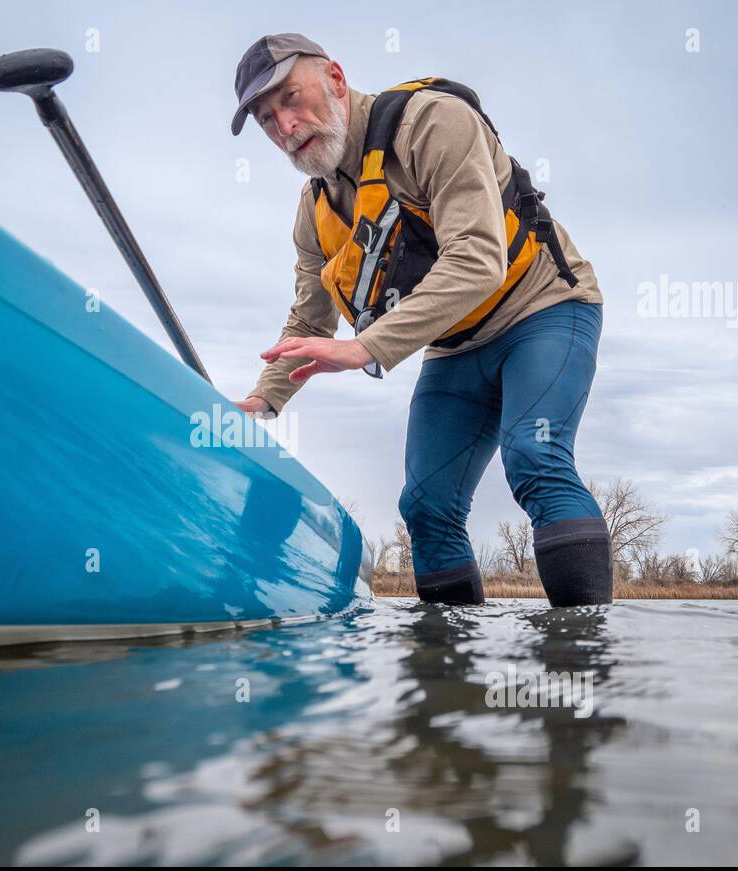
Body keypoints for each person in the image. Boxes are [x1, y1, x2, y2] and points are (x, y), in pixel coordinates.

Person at [230, 33, 612, 607]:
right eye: (265, 118)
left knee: (533, 457)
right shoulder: (313, 213)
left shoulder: (432, 123)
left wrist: (367, 348)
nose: (283, 124)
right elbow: (309, 322)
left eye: (290, 97)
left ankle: (581, 669)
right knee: (425, 505)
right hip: (455, 346)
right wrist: (261, 403)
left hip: (543, 307)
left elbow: (478, 260)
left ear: (335, 77)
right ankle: (448, 682)